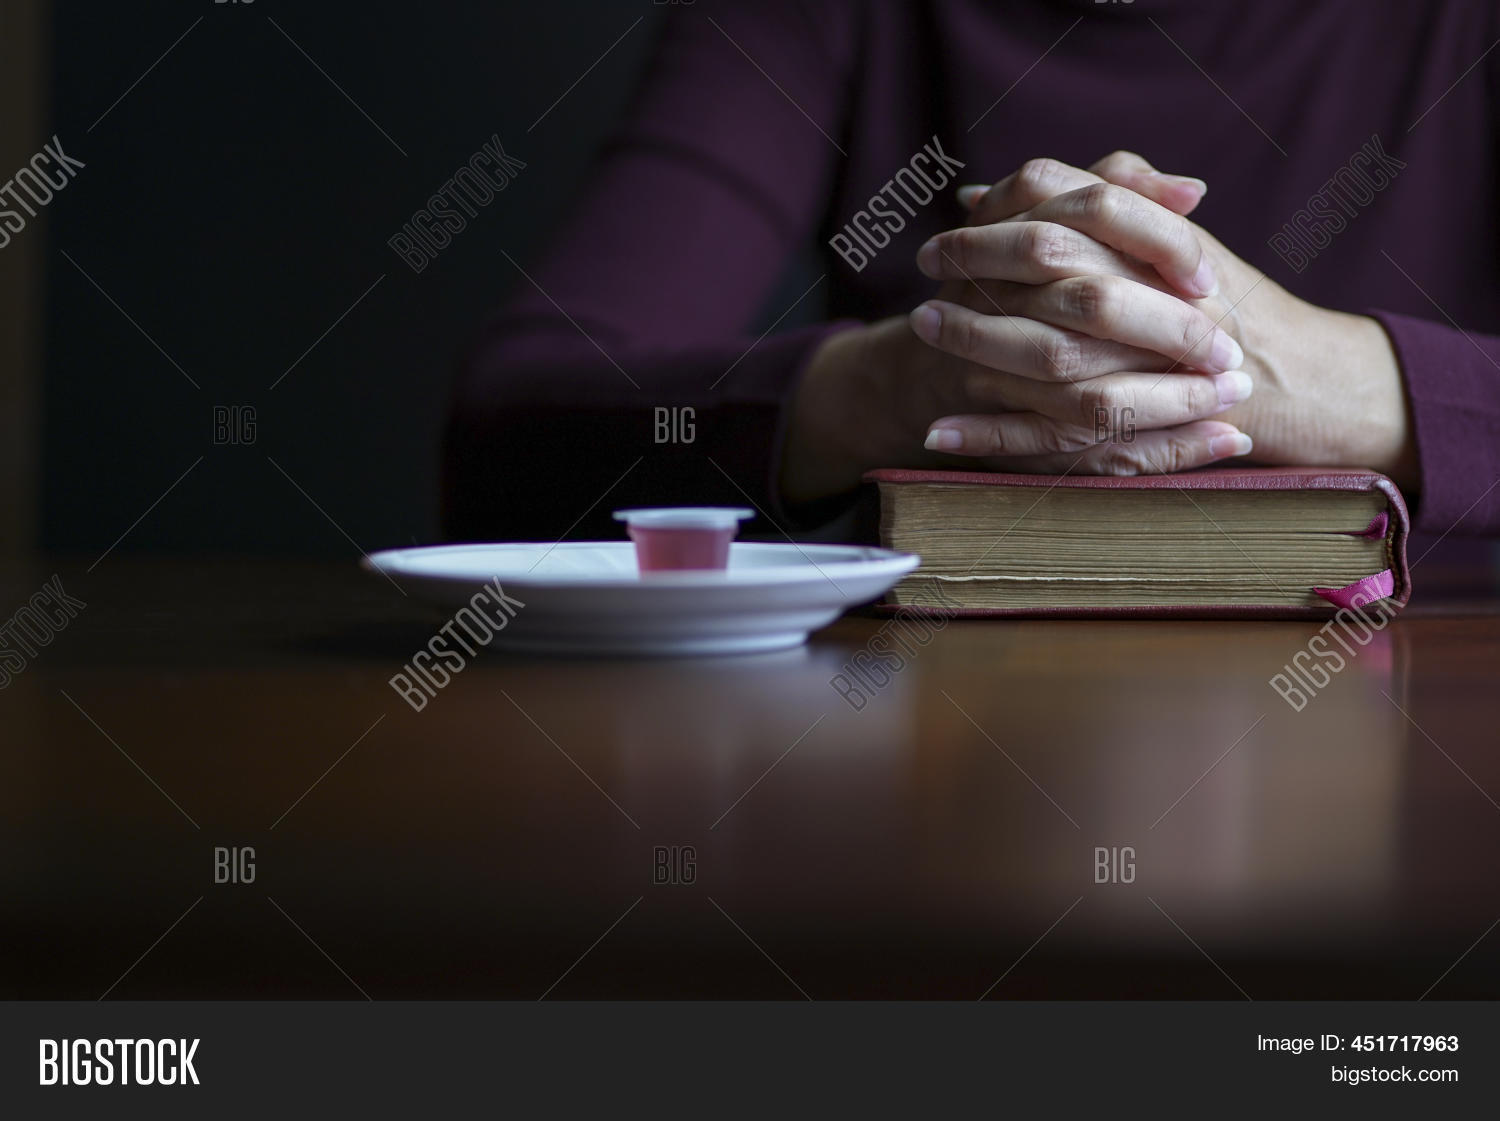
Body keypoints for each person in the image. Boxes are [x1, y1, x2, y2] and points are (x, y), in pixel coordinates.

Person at [444, 0, 1500, 545]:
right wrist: (915, 378)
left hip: (1420, 741)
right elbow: (510, 439)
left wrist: (1322, 378)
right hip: (930, 754)